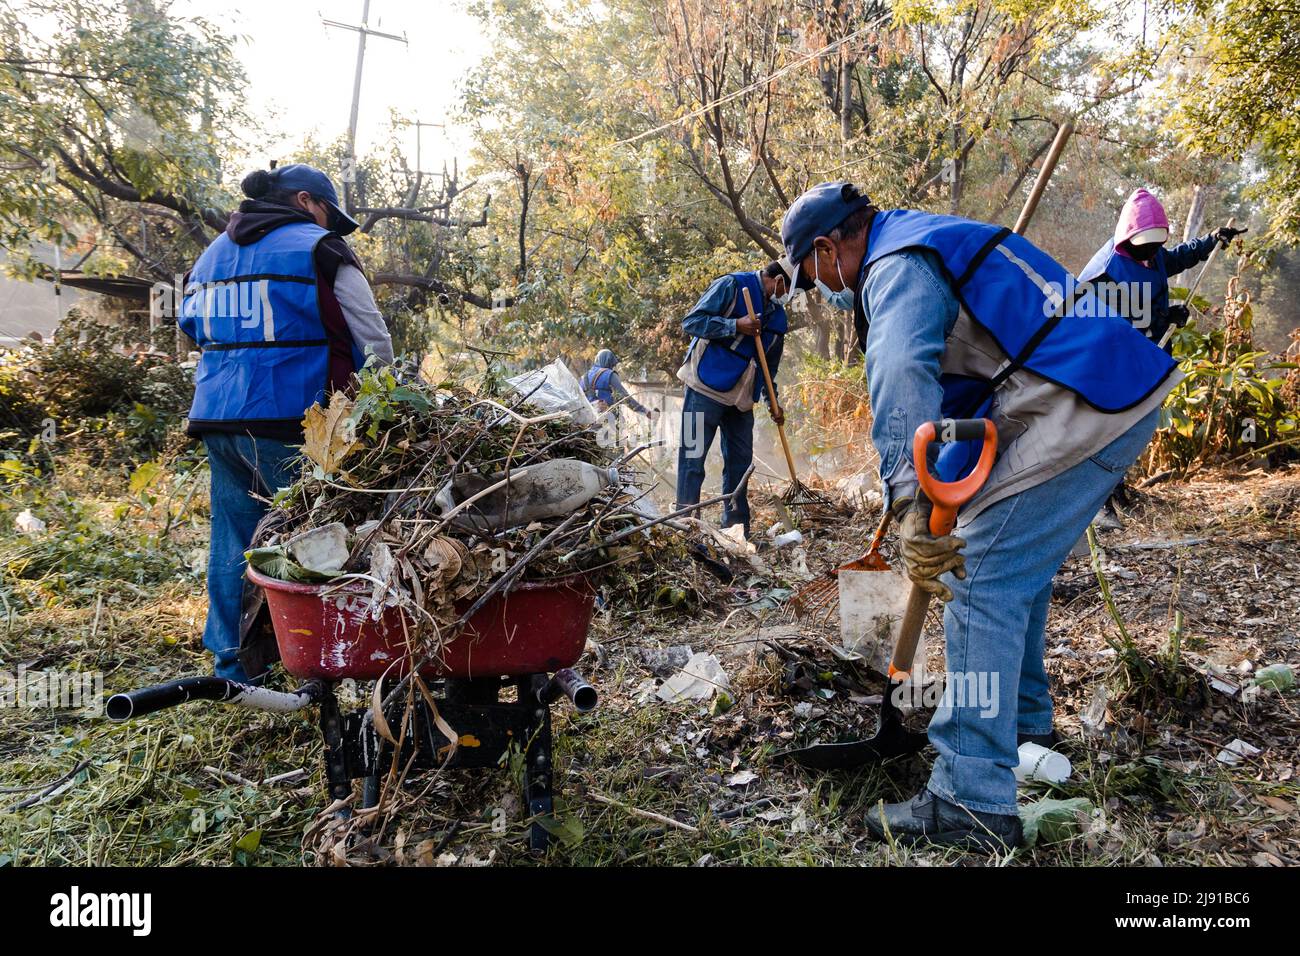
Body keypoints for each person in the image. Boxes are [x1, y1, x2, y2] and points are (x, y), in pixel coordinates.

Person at [780, 182, 1181, 850]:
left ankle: (970, 796)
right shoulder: (926, 236)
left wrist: (909, 499)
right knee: (1012, 565)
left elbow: (903, 366)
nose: (820, 289)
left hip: (1082, 408)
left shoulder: (895, 265)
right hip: (1103, 397)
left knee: (981, 578)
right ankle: (1023, 725)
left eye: (813, 275)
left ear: (828, 245)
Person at [179, 163, 393, 683]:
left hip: (218, 420)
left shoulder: (210, 256)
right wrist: (381, 405)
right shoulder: (320, 250)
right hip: (295, 423)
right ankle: (321, 659)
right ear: (305, 200)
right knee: (316, 540)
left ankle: (231, 665)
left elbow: (189, 327)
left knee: (234, 540)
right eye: (326, 212)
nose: (330, 226)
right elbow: (374, 341)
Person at [674, 260, 792, 536]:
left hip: (741, 399)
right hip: (703, 387)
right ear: (778, 281)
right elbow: (692, 322)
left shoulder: (778, 318)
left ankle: (736, 529)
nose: (788, 295)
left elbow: (768, 367)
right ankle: (684, 524)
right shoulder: (732, 285)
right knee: (691, 457)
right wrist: (735, 325)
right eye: (788, 288)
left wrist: (772, 400)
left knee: (740, 464)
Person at [1079, 188, 1246, 352]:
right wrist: (1164, 318)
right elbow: (1114, 324)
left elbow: (1174, 260)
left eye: (1156, 245)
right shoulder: (1105, 274)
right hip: (1119, 357)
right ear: (1127, 237)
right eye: (1146, 245)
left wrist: (1209, 241)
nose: (1151, 252)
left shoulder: (1150, 251)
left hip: (1154, 348)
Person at [580, 349, 655, 417]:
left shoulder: (583, 378)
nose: (612, 367)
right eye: (612, 364)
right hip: (607, 419)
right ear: (609, 361)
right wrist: (645, 411)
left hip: (587, 420)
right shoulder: (609, 374)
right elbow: (625, 398)